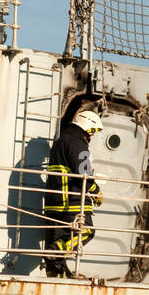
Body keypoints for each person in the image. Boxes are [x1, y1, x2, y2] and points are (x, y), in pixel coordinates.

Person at [41, 108, 103, 278]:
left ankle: (56, 273)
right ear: (87, 128)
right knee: (87, 231)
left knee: (57, 236)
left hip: (54, 202)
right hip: (71, 201)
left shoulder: (60, 142)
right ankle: (56, 252)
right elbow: (83, 174)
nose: (92, 136)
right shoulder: (78, 144)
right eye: (92, 132)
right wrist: (96, 191)